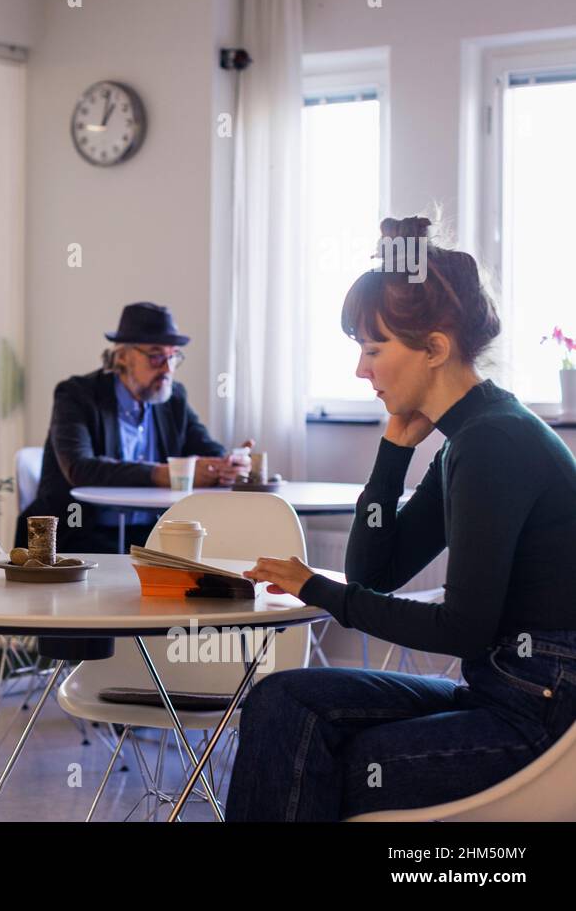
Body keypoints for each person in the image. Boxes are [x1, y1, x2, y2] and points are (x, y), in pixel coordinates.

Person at [228, 216, 576, 821]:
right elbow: (376, 569)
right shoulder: (473, 432)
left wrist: (316, 587)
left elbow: (460, 630)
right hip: (508, 690)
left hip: (539, 712)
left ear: (435, 348)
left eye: (372, 349)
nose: (361, 371)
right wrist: (394, 451)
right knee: (284, 702)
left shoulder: (493, 443)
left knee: (339, 760)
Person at [17, 302, 252, 553]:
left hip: (153, 537)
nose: (167, 368)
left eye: (173, 356)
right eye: (156, 356)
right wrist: (163, 474)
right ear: (122, 356)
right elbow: (80, 468)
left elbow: (205, 446)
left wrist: (229, 464)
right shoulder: (77, 395)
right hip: (80, 537)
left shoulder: (173, 398)